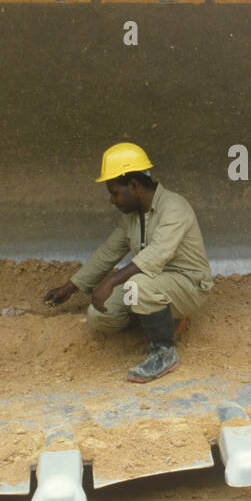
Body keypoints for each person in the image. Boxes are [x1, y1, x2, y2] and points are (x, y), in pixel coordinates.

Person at [43, 142, 213, 383]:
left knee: (138, 285)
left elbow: (156, 254)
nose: (112, 200)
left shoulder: (174, 207)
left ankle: (164, 353)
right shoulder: (132, 217)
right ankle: (160, 320)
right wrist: (70, 287)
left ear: (134, 186)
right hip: (151, 284)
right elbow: (108, 252)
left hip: (188, 285)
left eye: (114, 193)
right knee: (100, 315)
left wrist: (111, 281)